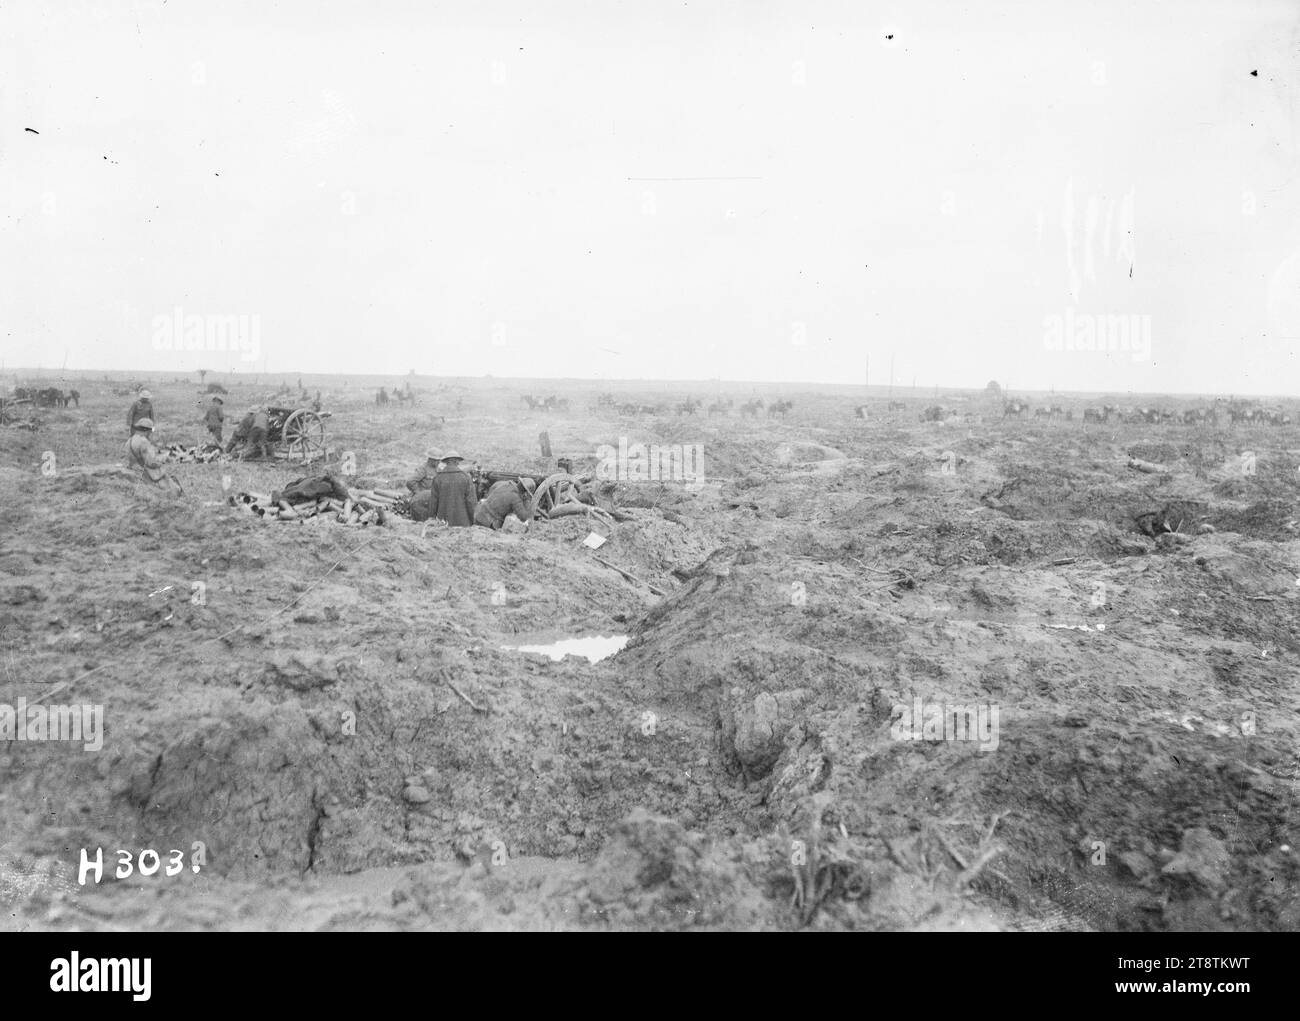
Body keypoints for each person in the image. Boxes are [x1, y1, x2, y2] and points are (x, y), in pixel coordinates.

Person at [125, 418, 179, 491]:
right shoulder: (143, 442)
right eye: (151, 430)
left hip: (135, 469)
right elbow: (151, 463)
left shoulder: (130, 440)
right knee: (175, 488)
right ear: (147, 430)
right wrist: (164, 458)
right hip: (146, 473)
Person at [427, 451, 477, 527]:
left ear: (446, 462)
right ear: (456, 461)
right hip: (463, 522)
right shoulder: (466, 478)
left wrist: (432, 518)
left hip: (443, 522)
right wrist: (473, 520)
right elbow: (471, 503)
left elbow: (433, 503)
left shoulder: (438, 478)